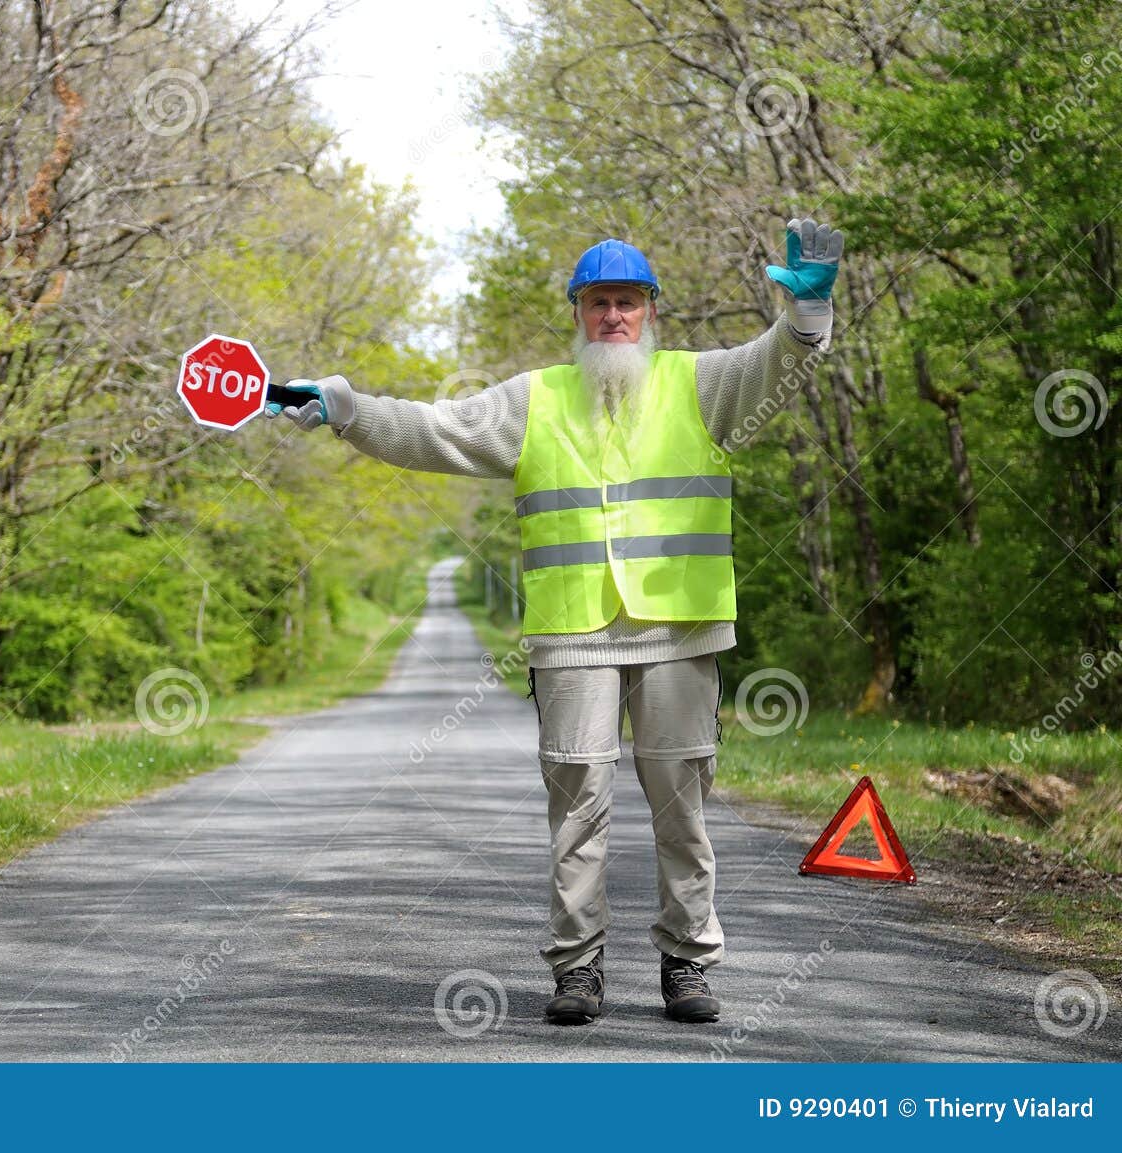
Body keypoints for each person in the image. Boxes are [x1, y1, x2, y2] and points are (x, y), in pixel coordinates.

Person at [268, 218, 843, 1025]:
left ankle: (687, 962)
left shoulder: (699, 384)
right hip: (573, 634)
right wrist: (346, 409)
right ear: (577, 312)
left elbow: (777, 362)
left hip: (680, 629)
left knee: (682, 804)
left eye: (629, 303)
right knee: (578, 803)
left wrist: (807, 316)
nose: (614, 317)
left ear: (651, 311)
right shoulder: (532, 399)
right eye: (599, 302)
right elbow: (435, 430)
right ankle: (578, 969)